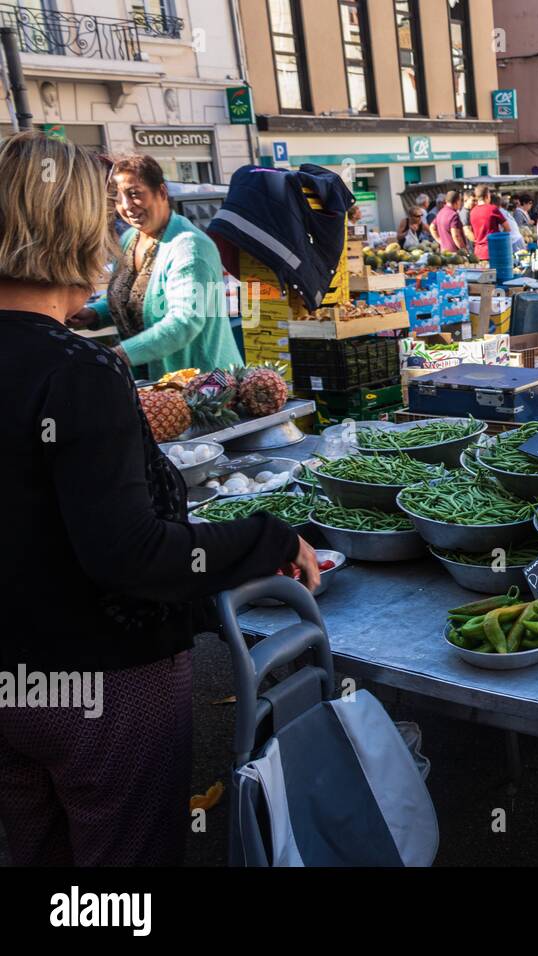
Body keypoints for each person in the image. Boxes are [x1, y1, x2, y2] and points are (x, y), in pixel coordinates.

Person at [0, 130, 319, 867]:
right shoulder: (77, 373)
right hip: (98, 689)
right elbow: (130, 555)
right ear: (76, 229)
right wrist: (262, 539)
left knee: (39, 856)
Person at [69, 153, 242, 381]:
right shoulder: (131, 238)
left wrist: (119, 355)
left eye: (134, 194)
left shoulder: (190, 247)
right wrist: (94, 313)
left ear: (161, 192)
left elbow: (184, 323)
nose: (126, 206)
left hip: (204, 386)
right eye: (117, 198)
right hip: (153, 384)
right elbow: (134, 295)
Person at [468, 185, 509, 261]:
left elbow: (472, 231)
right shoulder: (492, 209)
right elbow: (507, 228)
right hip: (493, 251)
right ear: (487, 196)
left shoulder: (472, 212)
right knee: (494, 272)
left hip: (477, 254)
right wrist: (499, 240)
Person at [434, 188, 468, 254]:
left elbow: (432, 227)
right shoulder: (454, 215)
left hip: (443, 251)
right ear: (457, 201)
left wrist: (440, 241)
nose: (461, 203)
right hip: (454, 253)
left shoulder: (440, 212)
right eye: (461, 200)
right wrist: (464, 251)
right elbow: (456, 236)